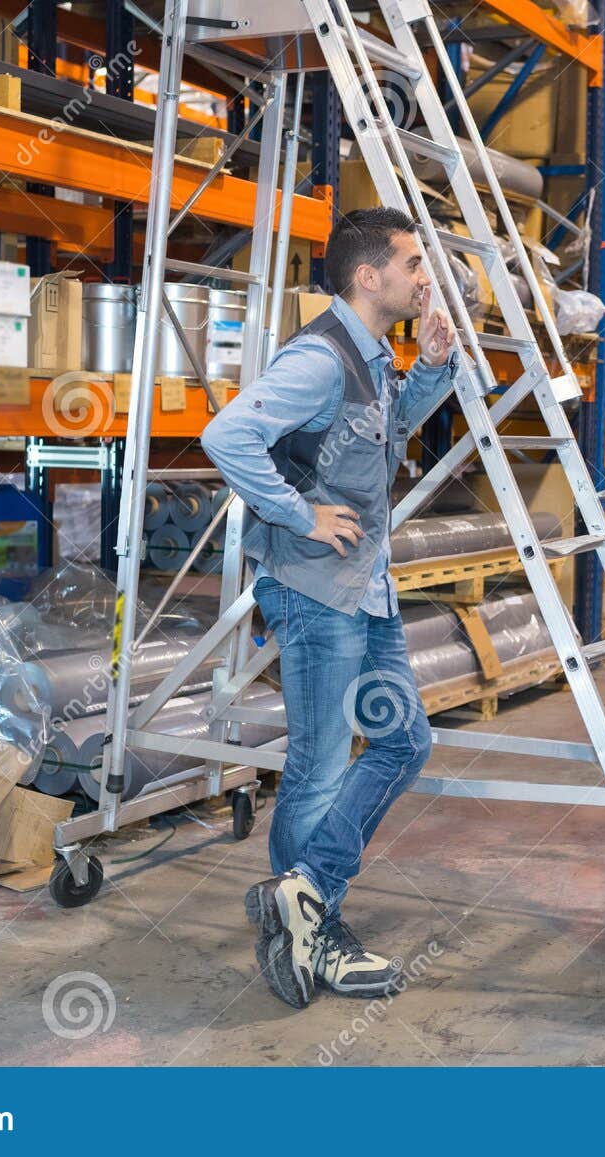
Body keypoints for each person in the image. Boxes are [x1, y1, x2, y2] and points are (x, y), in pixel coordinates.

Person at [201, 206, 458, 1009]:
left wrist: (433, 370)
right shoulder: (320, 357)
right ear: (367, 276)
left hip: (362, 587)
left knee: (403, 741)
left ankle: (303, 890)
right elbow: (227, 435)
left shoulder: (374, 357)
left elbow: (385, 437)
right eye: (413, 264)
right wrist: (296, 512)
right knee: (316, 768)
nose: (425, 277)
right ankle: (314, 925)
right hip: (316, 592)